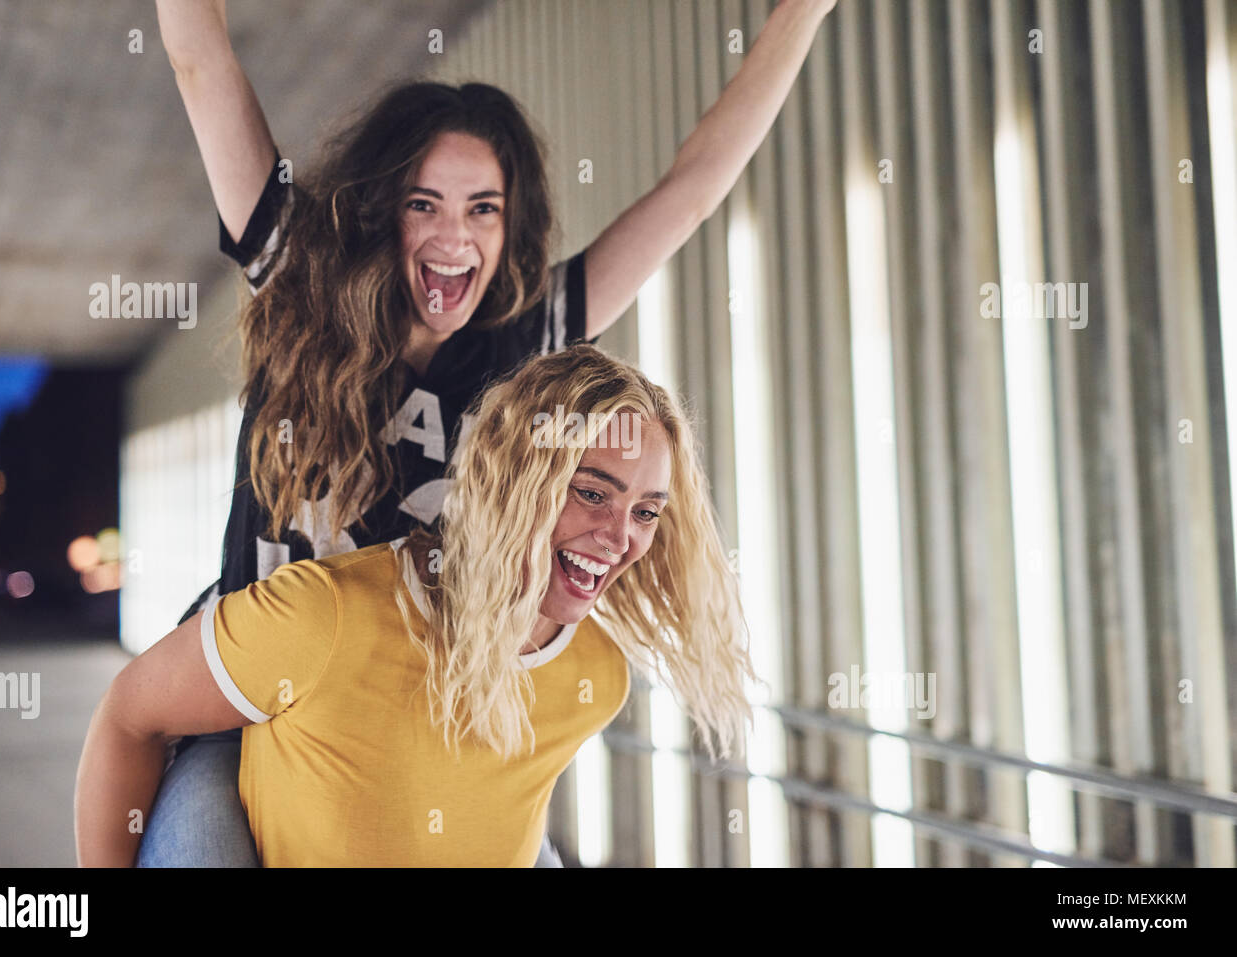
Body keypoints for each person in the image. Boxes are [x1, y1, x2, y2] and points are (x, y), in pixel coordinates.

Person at [140, 0, 837, 866]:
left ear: (510, 231)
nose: (453, 236)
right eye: (423, 204)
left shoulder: (525, 350)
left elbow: (691, 193)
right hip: (244, 706)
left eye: (483, 210)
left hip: (408, 717)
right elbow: (201, 63)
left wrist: (803, 13)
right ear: (382, 211)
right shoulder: (300, 280)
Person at [76, 345, 760, 866]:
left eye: (645, 510)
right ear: (513, 474)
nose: (620, 537)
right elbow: (130, 715)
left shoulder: (596, 678)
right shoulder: (326, 616)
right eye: (592, 492)